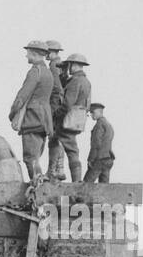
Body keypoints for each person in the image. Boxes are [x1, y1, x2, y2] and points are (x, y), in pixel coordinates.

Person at [8, 40, 55, 179]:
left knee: (30, 158)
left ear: (34, 54)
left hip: (32, 120)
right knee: (36, 157)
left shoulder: (35, 72)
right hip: (44, 120)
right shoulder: (48, 73)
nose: (26, 56)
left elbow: (22, 96)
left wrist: (12, 114)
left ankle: (38, 190)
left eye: (28, 54)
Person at [47, 52, 91, 182]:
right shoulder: (86, 81)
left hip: (67, 120)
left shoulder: (75, 81)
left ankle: (75, 181)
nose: (68, 68)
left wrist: (55, 114)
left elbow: (67, 104)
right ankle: (64, 176)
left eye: (69, 65)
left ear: (75, 65)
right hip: (77, 120)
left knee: (70, 150)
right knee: (67, 147)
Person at [44, 41, 70, 179]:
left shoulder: (54, 65)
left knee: (53, 139)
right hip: (60, 103)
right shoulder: (61, 65)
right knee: (58, 139)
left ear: (51, 52)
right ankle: (59, 169)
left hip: (55, 104)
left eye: (47, 52)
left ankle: (52, 171)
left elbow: (57, 88)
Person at [84, 102, 115, 183]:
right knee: (104, 188)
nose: (91, 115)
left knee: (85, 185)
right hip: (108, 159)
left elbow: (96, 144)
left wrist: (91, 159)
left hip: (99, 159)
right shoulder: (108, 125)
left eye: (93, 112)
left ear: (99, 111)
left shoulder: (99, 125)